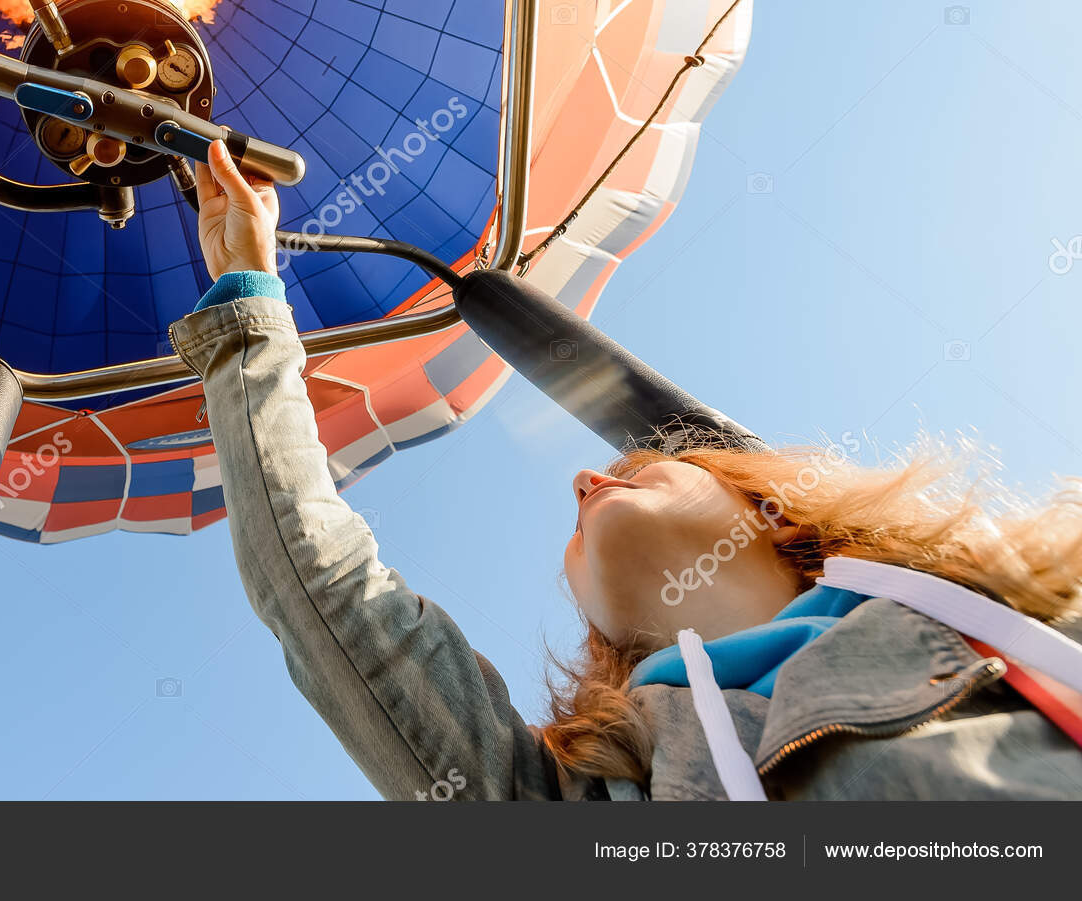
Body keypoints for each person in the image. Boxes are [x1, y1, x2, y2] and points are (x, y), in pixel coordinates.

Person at [169, 140, 1082, 801]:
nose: (585, 481)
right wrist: (248, 290)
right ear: (608, 640)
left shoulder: (1019, 594)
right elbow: (324, 593)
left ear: (763, 501)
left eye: (638, 459)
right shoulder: (593, 795)